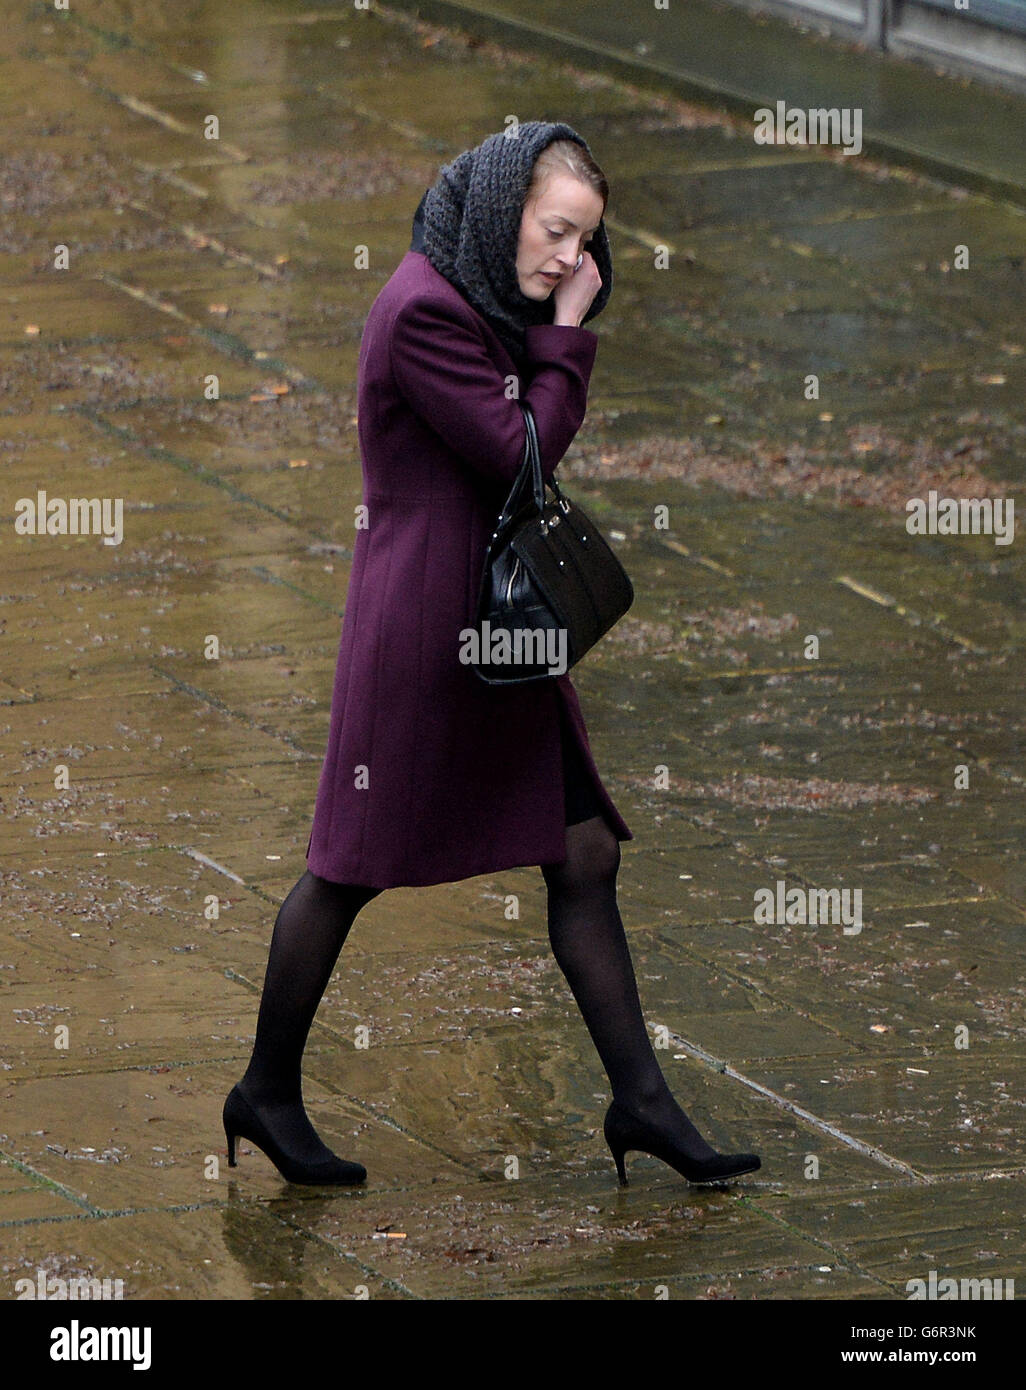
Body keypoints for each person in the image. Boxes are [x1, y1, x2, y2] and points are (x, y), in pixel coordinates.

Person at [223, 121, 760, 1189]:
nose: (571, 261)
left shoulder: (470, 290)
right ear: (505, 207)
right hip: (427, 636)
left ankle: (643, 1102)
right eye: (558, 232)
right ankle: (266, 1091)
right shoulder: (424, 309)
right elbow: (524, 452)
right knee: (347, 867)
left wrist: (554, 317)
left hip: (502, 628)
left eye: (586, 244)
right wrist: (567, 331)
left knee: (585, 851)